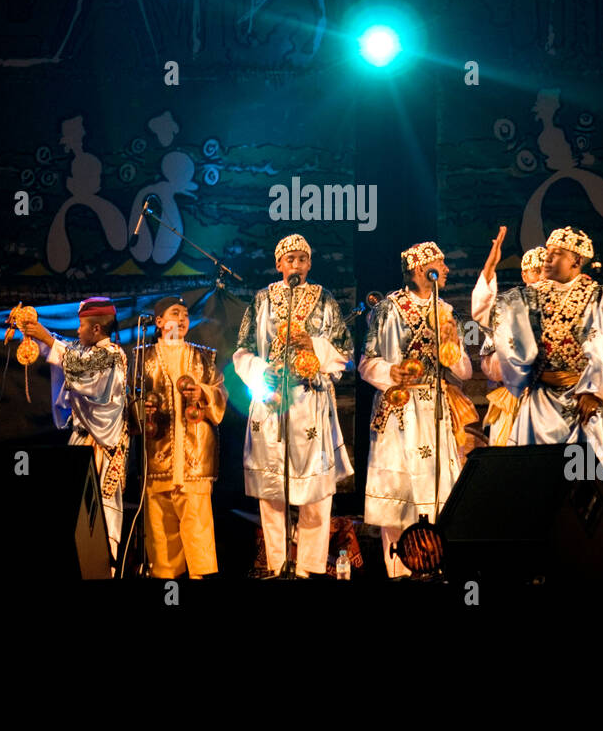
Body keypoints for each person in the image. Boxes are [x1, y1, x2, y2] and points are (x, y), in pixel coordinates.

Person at [233, 234, 353, 576]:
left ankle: (309, 569)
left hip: (310, 399)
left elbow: (344, 352)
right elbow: (242, 350)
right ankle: (277, 564)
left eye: (302, 259)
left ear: (310, 264)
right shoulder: (262, 301)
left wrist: (312, 344)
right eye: (290, 259)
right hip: (271, 400)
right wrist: (261, 373)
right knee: (272, 491)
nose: (296, 265)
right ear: (279, 265)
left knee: (314, 493)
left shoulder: (325, 299)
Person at [489, 226, 603, 482]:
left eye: (557, 253)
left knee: (585, 483)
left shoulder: (598, 298)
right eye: (548, 252)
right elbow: (496, 330)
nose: (547, 258)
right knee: (536, 481)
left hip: (583, 405)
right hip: (538, 403)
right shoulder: (530, 297)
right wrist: (488, 273)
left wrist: (598, 394)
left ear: (577, 261)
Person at [360, 241, 475, 577]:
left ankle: (435, 564)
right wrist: (389, 372)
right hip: (398, 406)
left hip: (434, 408)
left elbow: (464, 371)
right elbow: (366, 363)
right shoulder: (387, 309)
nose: (448, 270)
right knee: (398, 491)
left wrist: (451, 348)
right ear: (420, 268)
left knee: (436, 486)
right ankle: (398, 569)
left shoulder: (447, 312)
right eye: (441, 263)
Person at [19, 297, 129, 567]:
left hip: (104, 446)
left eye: (81, 325)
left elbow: (81, 369)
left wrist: (46, 338)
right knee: (74, 512)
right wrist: (34, 330)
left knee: (103, 514)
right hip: (81, 440)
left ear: (96, 329)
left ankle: (107, 568)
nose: (77, 330)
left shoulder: (113, 355)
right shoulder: (86, 350)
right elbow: (65, 352)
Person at [136, 296, 227, 578]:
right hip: (158, 458)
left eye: (186, 314)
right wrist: (142, 408)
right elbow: (129, 400)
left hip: (195, 459)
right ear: (160, 322)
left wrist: (203, 393)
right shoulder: (143, 357)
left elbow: (221, 394)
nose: (183, 318)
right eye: (175, 313)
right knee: (161, 535)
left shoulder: (202, 357)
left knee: (198, 532)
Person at [471, 228, 546, 446]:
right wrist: (490, 267)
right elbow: (482, 310)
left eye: (546, 272)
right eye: (536, 271)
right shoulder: (510, 305)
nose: (542, 277)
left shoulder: (566, 307)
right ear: (524, 275)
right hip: (516, 398)